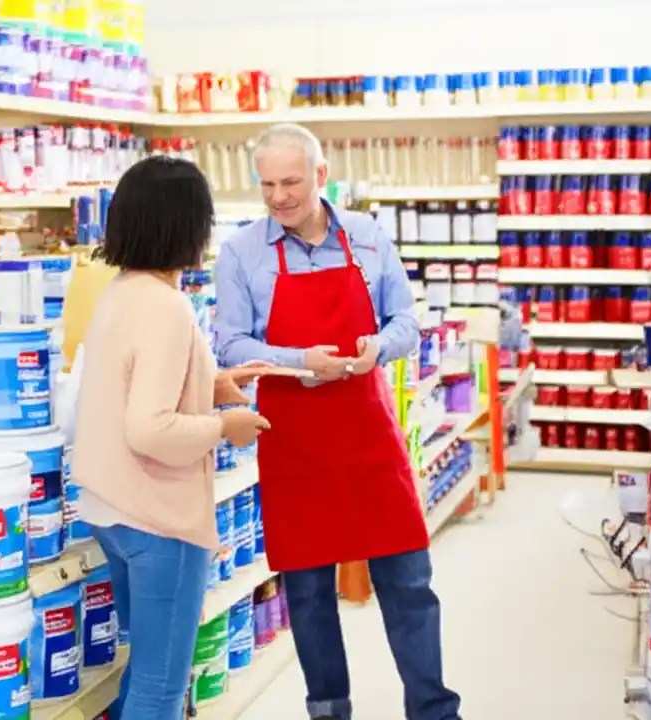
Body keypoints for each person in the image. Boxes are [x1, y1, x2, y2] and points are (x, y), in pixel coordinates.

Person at [213, 124, 463, 720]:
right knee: (307, 593)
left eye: (291, 182)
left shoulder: (370, 238)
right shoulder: (241, 251)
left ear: (321, 177)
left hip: (367, 434)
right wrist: (300, 362)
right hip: (294, 440)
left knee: (409, 581)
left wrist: (379, 347)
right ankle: (328, 708)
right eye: (267, 184)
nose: (278, 197)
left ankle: (433, 709)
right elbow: (229, 344)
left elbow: (406, 320)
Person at [73, 155, 272, 720]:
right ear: (184, 225)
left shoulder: (123, 291)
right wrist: (223, 428)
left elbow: (129, 388)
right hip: (157, 518)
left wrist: (210, 385)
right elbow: (149, 427)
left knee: (146, 669)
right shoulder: (166, 306)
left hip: (112, 508)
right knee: (161, 688)